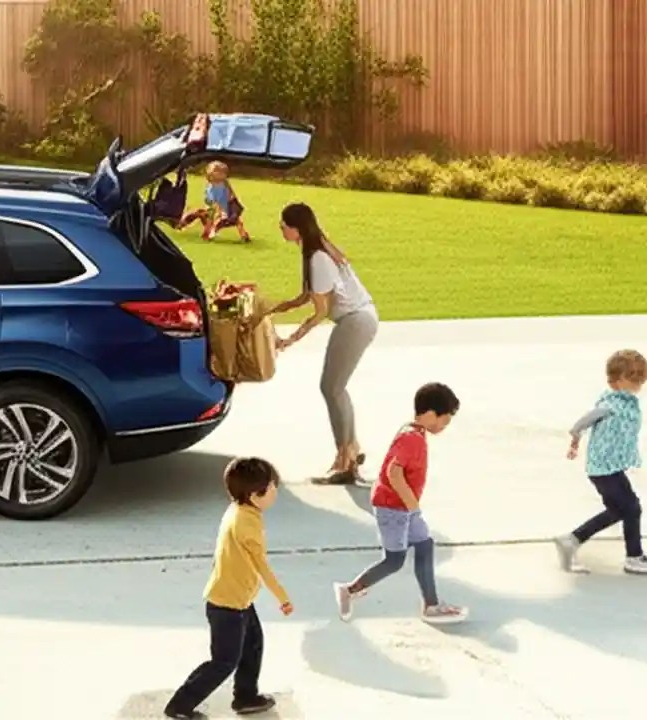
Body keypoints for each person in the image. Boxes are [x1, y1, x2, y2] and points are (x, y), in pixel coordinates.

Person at [164, 457, 293, 719]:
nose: (275, 492)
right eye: (271, 488)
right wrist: (283, 598)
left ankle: (245, 697)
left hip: (238, 598)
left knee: (253, 645)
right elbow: (262, 567)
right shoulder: (248, 525)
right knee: (223, 662)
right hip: (228, 605)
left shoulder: (238, 509)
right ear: (254, 495)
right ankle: (180, 705)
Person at [332, 382, 468, 625]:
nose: (444, 426)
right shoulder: (411, 439)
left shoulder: (413, 432)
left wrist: (412, 507)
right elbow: (395, 473)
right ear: (429, 414)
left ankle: (432, 605)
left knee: (425, 545)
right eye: (444, 420)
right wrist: (412, 505)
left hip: (404, 507)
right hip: (393, 508)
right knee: (394, 561)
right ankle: (349, 590)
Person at [261, 202, 378, 484]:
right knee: (336, 388)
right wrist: (275, 309)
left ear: (297, 228)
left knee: (332, 387)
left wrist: (291, 339)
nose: (281, 228)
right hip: (359, 317)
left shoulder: (318, 259)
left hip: (355, 320)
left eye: (284, 224)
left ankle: (344, 460)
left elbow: (320, 313)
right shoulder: (316, 250)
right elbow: (306, 297)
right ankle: (352, 450)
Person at [554, 349, 647, 575]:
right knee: (632, 508)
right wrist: (575, 437)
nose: (638, 382)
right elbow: (585, 420)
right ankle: (634, 557)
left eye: (641, 377)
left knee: (618, 510)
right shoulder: (611, 403)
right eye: (633, 377)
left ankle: (572, 539)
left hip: (609, 468)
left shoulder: (625, 402)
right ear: (616, 379)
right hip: (605, 470)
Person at [176, 161, 251, 243]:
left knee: (226, 220)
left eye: (220, 173)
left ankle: (210, 233)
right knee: (200, 213)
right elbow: (211, 204)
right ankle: (182, 223)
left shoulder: (222, 186)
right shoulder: (211, 188)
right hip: (220, 210)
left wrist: (221, 212)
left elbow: (225, 201)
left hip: (227, 210)